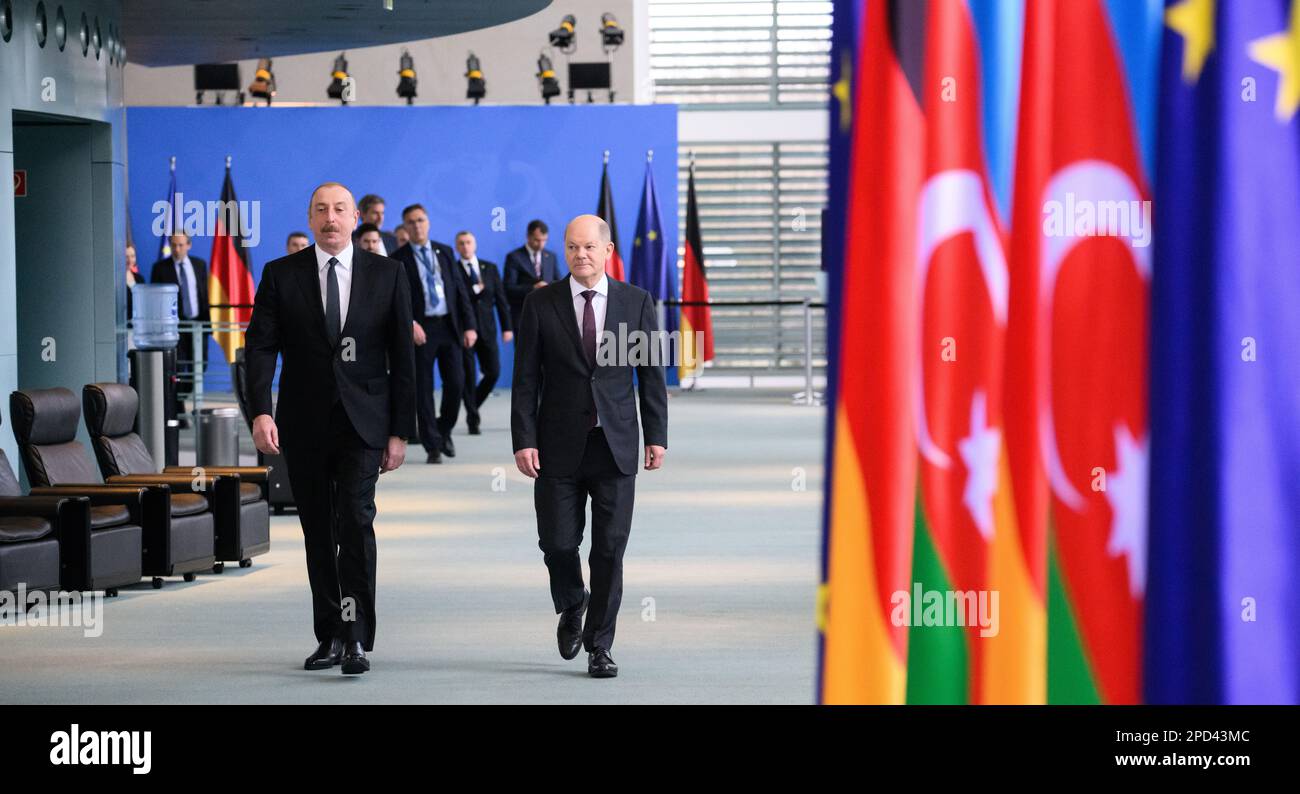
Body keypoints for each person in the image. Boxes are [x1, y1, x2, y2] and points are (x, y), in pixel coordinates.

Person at [245, 182, 416, 676]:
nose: (331, 218)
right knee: (318, 530)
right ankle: (330, 636)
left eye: (340, 209)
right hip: (304, 423)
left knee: (356, 522)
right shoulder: (281, 275)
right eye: (321, 210)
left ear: (356, 216)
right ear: (310, 217)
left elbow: (403, 358)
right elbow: (260, 347)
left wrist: (401, 431)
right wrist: (260, 410)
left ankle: (357, 633)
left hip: (365, 424)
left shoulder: (388, 274)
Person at [511, 214, 668, 678]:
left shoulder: (635, 302)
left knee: (609, 549)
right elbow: (524, 381)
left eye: (589, 247)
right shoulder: (541, 304)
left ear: (608, 250)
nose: (581, 255)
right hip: (556, 445)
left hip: (615, 444)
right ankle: (572, 601)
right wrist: (524, 440)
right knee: (558, 543)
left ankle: (600, 645)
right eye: (573, 248)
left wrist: (656, 435)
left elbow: (650, 377)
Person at [390, 204, 477, 463]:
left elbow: (460, 290)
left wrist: (470, 325)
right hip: (420, 329)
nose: (417, 226)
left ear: (427, 222)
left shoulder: (445, 252)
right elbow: (395, 301)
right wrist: (409, 323)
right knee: (423, 389)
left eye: (420, 220)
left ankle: (443, 429)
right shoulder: (398, 258)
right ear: (405, 227)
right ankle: (433, 446)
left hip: (449, 327)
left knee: (457, 384)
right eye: (411, 222)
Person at [453, 231, 512, 434]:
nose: (465, 246)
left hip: (487, 329)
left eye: (468, 242)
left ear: (475, 245)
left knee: (493, 372)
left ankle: (472, 406)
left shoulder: (490, 268)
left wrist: (507, 327)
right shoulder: (453, 269)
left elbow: (501, 300)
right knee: (468, 376)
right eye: (461, 243)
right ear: (456, 247)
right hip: (464, 332)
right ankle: (473, 419)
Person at [149, 232, 209, 419]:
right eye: (174, 245)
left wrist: (207, 326)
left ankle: (181, 398)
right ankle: (177, 407)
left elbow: (203, 295)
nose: (177, 249)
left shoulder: (199, 265)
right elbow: (155, 300)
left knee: (200, 367)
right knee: (176, 367)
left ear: (188, 245)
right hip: (175, 329)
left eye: (181, 245)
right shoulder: (160, 268)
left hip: (198, 327)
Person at [503, 219, 564, 330]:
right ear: (528, 236)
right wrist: (533, 288)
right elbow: (508, 288)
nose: (541, 244)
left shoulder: (550, 256)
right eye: (537, 240)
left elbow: (559, 283)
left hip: (548, 314)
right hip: (523, 313)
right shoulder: (514, 257)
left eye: (544, 240)